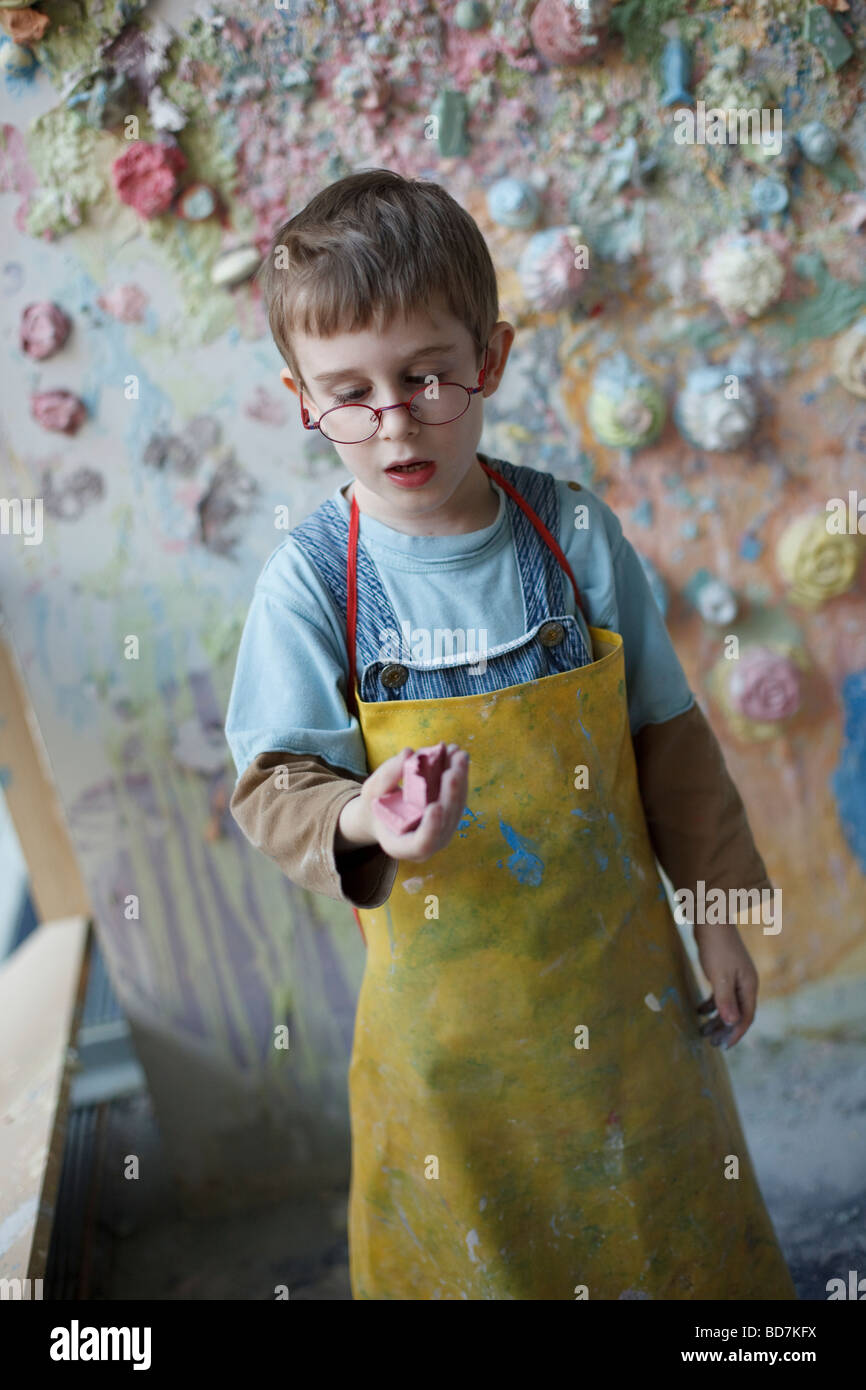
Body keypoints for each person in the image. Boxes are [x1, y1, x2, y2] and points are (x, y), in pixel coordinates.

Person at [224, 168, 798, 1301]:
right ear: (299, 397)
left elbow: (670, 740)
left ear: (488, 356)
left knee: (664, 1236)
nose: (393, 419)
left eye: (426, 375)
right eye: (351, 392)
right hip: (448, 1035)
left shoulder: (573, 532)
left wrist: (721, 914)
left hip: (622, 997)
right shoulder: (306, 587)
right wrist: (360, 812)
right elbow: (272, 785)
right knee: (485, 1253)